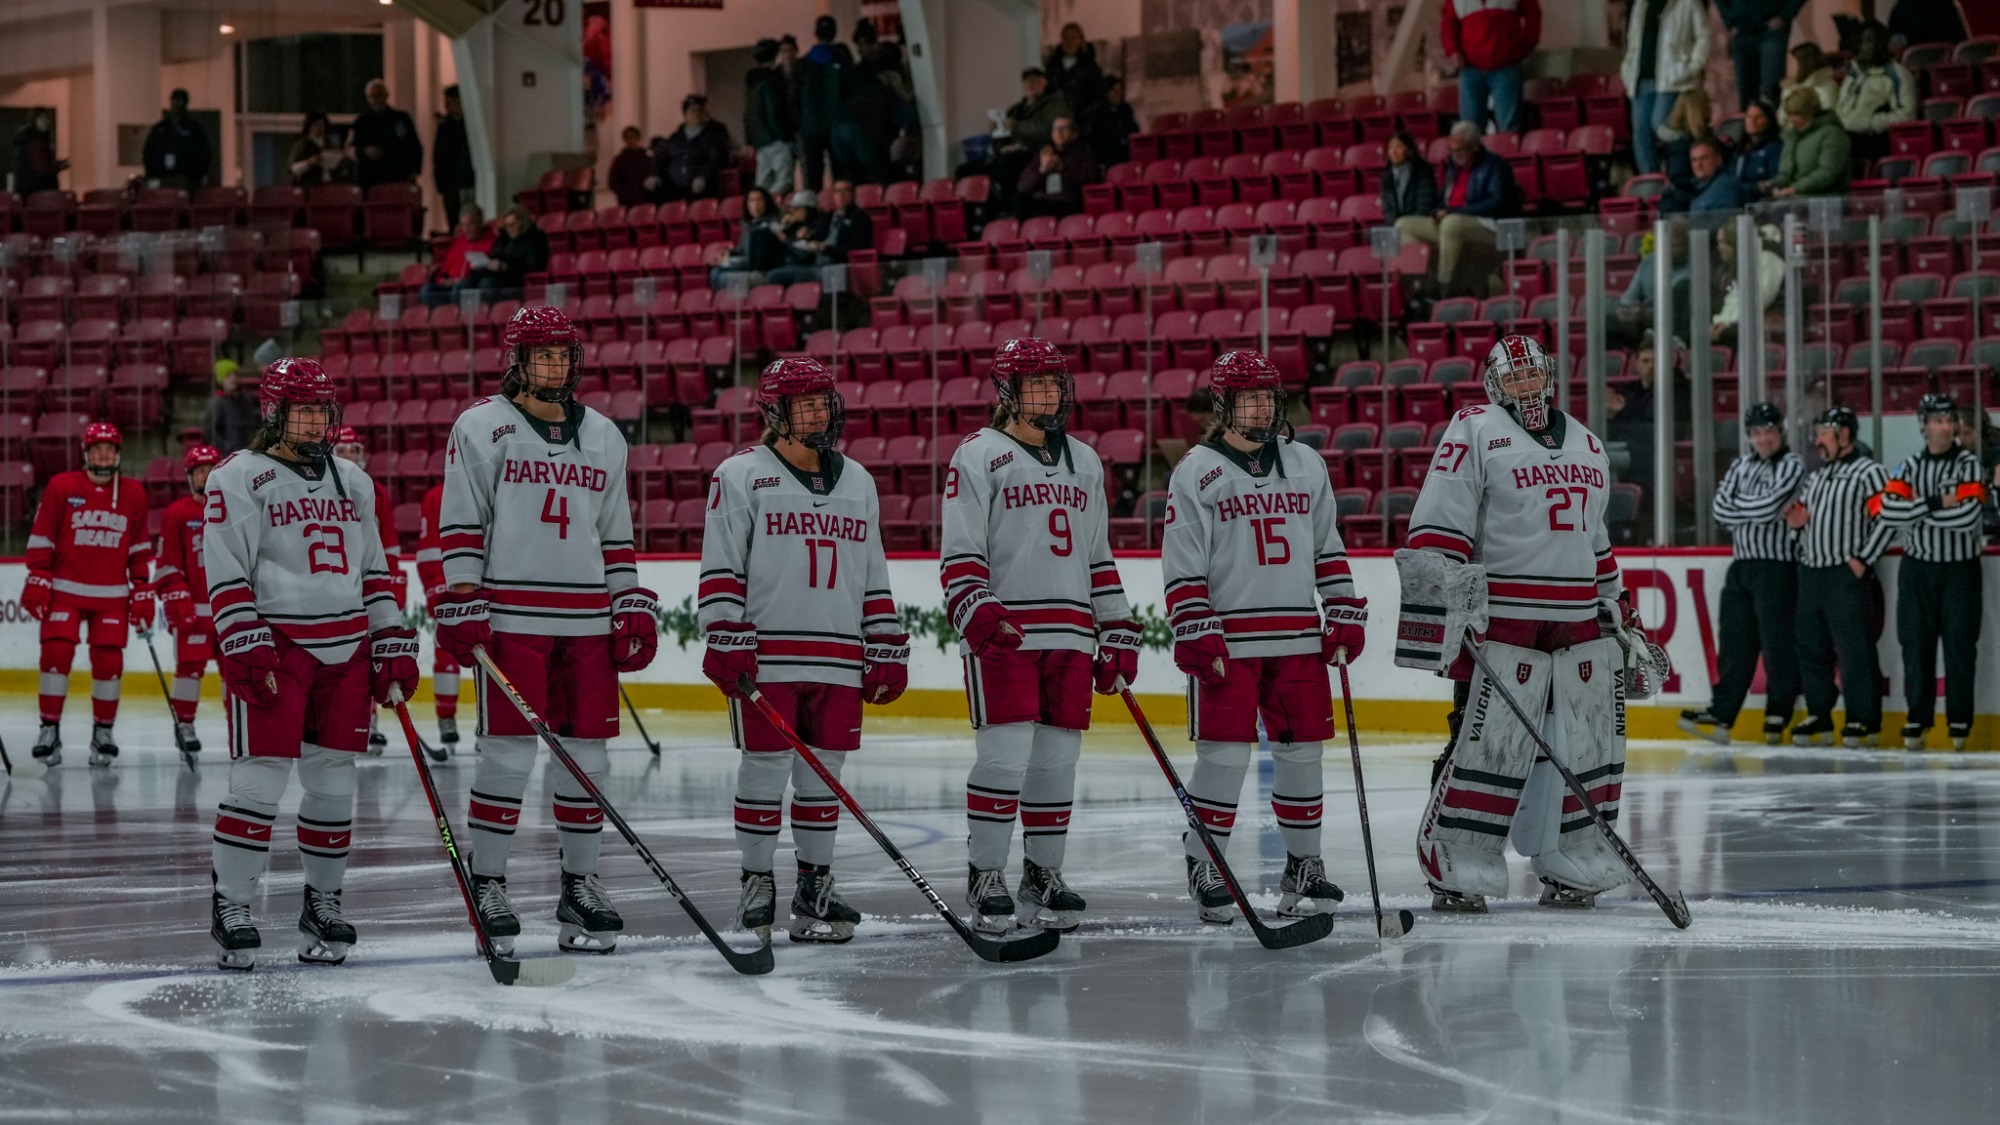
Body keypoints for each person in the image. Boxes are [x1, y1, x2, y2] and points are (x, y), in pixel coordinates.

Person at [433, 306, 659, 956]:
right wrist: (465, 596)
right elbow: (462, 519)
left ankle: (580, 884)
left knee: (589, 758)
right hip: (512, 619)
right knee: (506, 756)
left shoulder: (607, 437)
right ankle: (491, 882)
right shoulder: (482, 427)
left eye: (563, 354)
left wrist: (630, 602)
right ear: (517, 359)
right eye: (543, 355)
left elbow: (616, 534)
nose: (555, 365)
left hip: (587, 622)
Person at [1404, 335, 1642, 912]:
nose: (1526, 389)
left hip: (1575, 624)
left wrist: (1619, 609)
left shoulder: (1586, 441)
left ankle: (1568, 853)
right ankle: (1455, 854)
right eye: (1515, 380)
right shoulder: (1474, 428)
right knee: (1485, 741)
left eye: (1534, 378)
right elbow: (1439, 523)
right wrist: (1446, 608)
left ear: (1550, 378)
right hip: (1503, 621)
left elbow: (1596, 539)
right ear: (1493, 384)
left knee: (1576, 745)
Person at [203, 358, 417, 971]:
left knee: (332, 784)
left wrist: (389, 636)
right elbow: (225, 566)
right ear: (272, 411)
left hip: (347, 649)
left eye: (323, 408)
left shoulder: (354, 480)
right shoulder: (237, 476)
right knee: (259, 781)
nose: (316, 419)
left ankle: (322, 901)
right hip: (278, 645)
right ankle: (233, 903)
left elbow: (373, 570)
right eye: (303, 407)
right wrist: (241, 636)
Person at [698, 356, 908, 943]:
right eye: (805, 402)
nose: (819, 411)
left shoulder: (859, 480)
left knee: (825, 777)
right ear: (775, 410)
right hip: (768, 654)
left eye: (823, 400)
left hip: (839, 652)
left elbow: (873, 572)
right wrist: (723, 630)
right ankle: (756, 883)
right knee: (764, 769)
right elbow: (720, 567)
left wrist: (885, 639)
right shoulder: (739, 475)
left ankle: (814, 886)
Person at [939, 338, 1137, 934]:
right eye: (1036, 385)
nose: (1050, 394)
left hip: (1072, 631)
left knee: (1057, 762)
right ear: (1007, 393)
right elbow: (961, 552)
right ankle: (985, 873)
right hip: (1008, 631)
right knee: (1003, 758)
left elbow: (1097, 554)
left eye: (1055, 384)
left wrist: (1118, 624)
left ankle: (1042, 873)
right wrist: (976, 611)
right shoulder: (977, 455)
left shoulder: (1085, 459)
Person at [1160, 350, 1363, 924]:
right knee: (1223, 758)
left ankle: (1304, 864)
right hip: (1230, 639)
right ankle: (1206, 862)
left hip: (1298, 635)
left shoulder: (1307, 463)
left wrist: (1343, 607)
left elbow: (1327, 546)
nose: (1262, 407)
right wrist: (1194, 625)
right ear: (1223, 404)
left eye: (1269, 396)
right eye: (1249, 396)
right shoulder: (1197, 470)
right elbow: (1181, 562)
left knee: (1302, 755)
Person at [19, 422, 152, 769]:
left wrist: (141, 587)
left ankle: (103, 732)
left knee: (109, 663)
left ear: (118, 454)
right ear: (86, 454)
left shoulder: (134, 493)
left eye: (109, 449)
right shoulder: (62, 486)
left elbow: (139, 548)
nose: (103, 455)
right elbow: (44, 533)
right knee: (55, 655)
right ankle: (49, 728)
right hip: (65, 590)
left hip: (111, 594)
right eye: (97, 449)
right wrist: (38, 574)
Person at [1680, 402, 1804, 745]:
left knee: (1777, 643)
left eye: (1769, 431)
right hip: (1742, 565)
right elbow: (1720, 509)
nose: (1763, 438)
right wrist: (1753, 507)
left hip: (1777, 567)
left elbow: (1768, 509)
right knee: (1735, 644)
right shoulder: (1741, 464)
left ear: (1780, 432)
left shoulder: (1792, 464)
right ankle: (1723, 712)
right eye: (1756, 433)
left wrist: (1743, 507)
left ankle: (1778, 712)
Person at [1873, 394, 1985, 752]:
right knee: (1916, 646)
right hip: (1917, 569)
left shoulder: (1968, 465)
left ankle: (1959, 721)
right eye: (1937, 420)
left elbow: (1966, 519)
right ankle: (1917, 719)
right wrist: (1937, 502)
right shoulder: (1907, 467)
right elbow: (1889, 514)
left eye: (1949, 420)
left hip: (1959, 570)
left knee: (1959, 645)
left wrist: (1916, 510)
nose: (1945, 427)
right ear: (1923, 426)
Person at [1783, 405, 1890, 748]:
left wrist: (1862, 561)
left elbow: (1888, 519)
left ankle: (1863, 719)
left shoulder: (1868, 472)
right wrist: (1799, 530)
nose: (1817, 440)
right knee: (1811, 647)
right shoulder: (1817, 477)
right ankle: (1820, 714)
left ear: (1844, 434)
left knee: (1854, 648)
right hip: (1812, 572)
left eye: (1824, 432)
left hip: (1845, 574)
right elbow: (1804, 523)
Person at [331, 427, 408, 755]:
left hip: (367, 586)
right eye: (343, 450)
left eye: (354, 450)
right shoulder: (321, 486)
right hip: (334, 587)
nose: (349, 456)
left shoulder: (375, 491)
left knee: (366, 657)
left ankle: (370, 722)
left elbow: (388, 546)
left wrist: (389, 589)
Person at [1394, 121, 1519, 298]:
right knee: (1403, 224)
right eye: (1452, 150)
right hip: (1451, 221)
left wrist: (1456, 212)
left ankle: (1445, 287)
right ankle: (1424, 280)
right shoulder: (1452, 168)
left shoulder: (1495, 165)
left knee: (1451, 223)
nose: (1455, 155)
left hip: (1487, 225)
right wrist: (1435, 212)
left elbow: (1497, 202)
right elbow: (1441, 199)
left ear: (1475, 147)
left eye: (1460, 150)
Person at [154, 444, 224, 760]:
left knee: (237, 672)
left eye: (211, 470)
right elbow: (168, 562)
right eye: (200, 471)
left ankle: (240, 727)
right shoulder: (178, 513)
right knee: (189, 670)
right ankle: (184, 725)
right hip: (194, 610)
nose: (206, 476)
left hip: (231, 611)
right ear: (190, 476)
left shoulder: (236, 509)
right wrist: (175, 593)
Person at [1620, 0, 1710, 176]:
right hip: (1640, 79)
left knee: (1661, 126)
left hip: (1672, 79)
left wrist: (1693, 67)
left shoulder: (1688, 3)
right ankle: (1651, 182)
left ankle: (1680, 172)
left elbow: (1704, 35)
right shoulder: (1640, 5)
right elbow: (1632, 40)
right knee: (1641, 134)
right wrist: (1626, 69)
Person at [1440, 0, 1541, 134]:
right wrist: (1453, 51)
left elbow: (1533, 13)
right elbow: (1449, 23)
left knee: (1509, 127)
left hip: (1506, 66)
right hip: (1470, 69)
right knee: (1470, 129)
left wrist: (1527, 43)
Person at [415, 482, 461, 750]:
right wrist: (436, 587)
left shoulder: (495, 487)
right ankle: (447, 719)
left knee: (491, 658)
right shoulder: (435, 496)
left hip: (489, 584)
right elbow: (429, 548)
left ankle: (488, 724)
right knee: (447, 653)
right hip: (448, 587)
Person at [1835, 20, 1918, 164]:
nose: (1870, 46)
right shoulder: (1853, 74)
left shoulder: (1897, 74)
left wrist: (1872, 123)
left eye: (1874, 41)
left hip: (1874, 138)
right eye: (1865, 41)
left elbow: (1907, 115)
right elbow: (1841, 107)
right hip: (1845, 135)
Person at [993, 69, 1072, 211]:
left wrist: (1016, 126)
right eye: (1027, 82)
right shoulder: (1016, 110)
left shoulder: (1056, 105)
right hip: (1011, 153)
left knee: (1007, 164)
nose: (1031, 85)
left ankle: (1012, 211)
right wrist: (997, 130)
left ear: (1044, 83)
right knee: (969, 170)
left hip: (1038, 153)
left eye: (1035, 82)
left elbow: (1048, 131)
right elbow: (1002, 139)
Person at [766, 180, 873, 285]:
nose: (840, 195)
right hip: (815, 263)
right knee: (776, 270)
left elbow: (858, 248)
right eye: (837, 191)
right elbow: (818, 235)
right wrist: (808, 236)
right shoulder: (829, 216)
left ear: (853, 194)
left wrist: (826, 249)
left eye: (845, 191)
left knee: (775, 276)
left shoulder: (860, 217)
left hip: (837, 267)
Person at [797, 16, 856, 190]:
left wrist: (799, 123)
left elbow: (794, 98)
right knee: (840, 174)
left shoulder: (804, 64)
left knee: (813, 176)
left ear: (815, 33)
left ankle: (815, 211)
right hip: (836, 124)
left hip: (810, 126)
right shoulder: (843, 61)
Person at [1718, 0, 1807, 107]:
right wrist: (1730, 22)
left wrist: (1784, 16)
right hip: (1742, 29)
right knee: (1746, 94)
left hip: (1771, 29)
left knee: (1771, 93)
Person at [1767, 86, 1850, 199]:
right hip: (1794, 198)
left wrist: (1796, 188)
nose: (1792, 120)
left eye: (1797, 114)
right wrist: (1773, 184)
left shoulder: (1833, 134)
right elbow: (1785, 173)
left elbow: (1828, 173)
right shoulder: (1791, 136)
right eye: (1789, 115)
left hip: (1825, 199)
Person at [1710, 220, 1784, 345]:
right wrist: (1721, 321)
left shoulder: (1767, 258)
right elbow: (1735, 297)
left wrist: (1727, 326)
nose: (1718, 247)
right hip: (1746, 322)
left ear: (1735, 242)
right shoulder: (1742, 262)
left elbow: (1760, 299)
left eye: (1723, 242)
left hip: (1769, 322)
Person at [1014, 117, 1101, 219]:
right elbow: (1023, 185)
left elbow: (1090, 181)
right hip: (1042, 198)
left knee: (1046, 210)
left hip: (1066, 201)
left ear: (1074, 134)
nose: (1059, 132)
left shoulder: (1084, 154)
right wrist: (1042, 170)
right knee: (1020, 201)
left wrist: (1062, 168)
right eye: (1055, 129)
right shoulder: (1045, 153)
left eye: (1063, 129)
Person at [461, 205, 550, 301]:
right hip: (497, 275)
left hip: (516, 281)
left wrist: (504, 266)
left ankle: (484, 313)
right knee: (464, 285)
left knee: (487, 284)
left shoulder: (535, 239)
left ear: (522, 223)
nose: (509, 229)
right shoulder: (503, 239)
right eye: (507, 226)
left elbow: (533, 267)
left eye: (512, 225)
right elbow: (495, 255)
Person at [656, 94, 732, 202]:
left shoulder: (713, 137)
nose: (695, 115)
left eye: (699, 111)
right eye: (692, 111)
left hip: (701, 186)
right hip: (673, 187)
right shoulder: (674, 138)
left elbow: (714, 159)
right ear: (685, 115)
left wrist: (703, 176)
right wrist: (655, 174)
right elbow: (661, 158)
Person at [350, 79, 424, 190]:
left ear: (386, 96)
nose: (377, 99)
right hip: (371, 177)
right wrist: (365, 151)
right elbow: (353, 147)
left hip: (399, 174)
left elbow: (414, 145)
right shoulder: (361, 122)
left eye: (380, 95)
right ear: (368, 98)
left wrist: (415, 169)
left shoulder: (401, 119)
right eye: (373, 96)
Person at [748, 38, 799, 195]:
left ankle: (762, 214)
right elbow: (774, 111)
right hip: (776, 140)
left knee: (763, 184)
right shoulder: (772, 79)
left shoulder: (751, 81)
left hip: (760, 140)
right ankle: (772, 210)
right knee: (783, 181)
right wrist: (784, 135)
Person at [420, 203, 493, 309]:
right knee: (427, 291)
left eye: (470, 225)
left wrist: (462, 279)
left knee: (460, 289)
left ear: (479, 223)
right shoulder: (459, 242)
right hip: (451, 284)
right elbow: (446, 267)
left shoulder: (491, 241)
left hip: (470, 285)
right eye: (463, 225)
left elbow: (484, 270)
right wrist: (442, 280)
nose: (466, 229)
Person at [709, 186, 785, 285]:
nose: (756, 204)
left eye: (759, 200)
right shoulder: (748, 226)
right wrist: (728, 253)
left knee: (722, 277)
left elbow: (756, 260)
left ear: (766, 203)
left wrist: (728, 262)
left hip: (761, 270)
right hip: (746, 264)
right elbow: (741, 250)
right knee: (715, 271)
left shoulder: (772, 224)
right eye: (752, 200)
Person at [142, 89, 212, 190]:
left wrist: (198, 176)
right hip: (162, 177)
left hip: (187, 179)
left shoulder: (194, 129)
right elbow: (148, 153)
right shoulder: (160, 128)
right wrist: (151, 175)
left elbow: (204, 153)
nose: (178, 104)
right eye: (176, 100)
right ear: (171, 102)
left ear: (186, 103)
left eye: (181, 100)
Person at [1661, 138, 1745, 219]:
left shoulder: (1726, 186)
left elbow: (1726, 224)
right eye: (1694, 160)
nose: (1698, 165)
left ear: (1718, 159)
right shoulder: (1698, 189)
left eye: (1704, 158)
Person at [1044, 23, 1105, 124]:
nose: (1069, 42)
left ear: (1081, 40)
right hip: (1057, 123)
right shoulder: (1053, 66)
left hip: (1082, 123)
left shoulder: (1090, 67)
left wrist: (1082, 116)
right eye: (1066, 38)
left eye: (1073, 38)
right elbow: (1046, 92)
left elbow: (1099, 97)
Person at [433, 85, 475, 230]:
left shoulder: (471, 124)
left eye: (452, 102)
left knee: (469, 216)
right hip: (449, 181)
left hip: (467, 179)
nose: (448, 106)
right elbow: (438, 155)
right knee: (452, 218)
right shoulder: (445, 126)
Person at [1379, 131, 1439, 225]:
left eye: (1398, 147)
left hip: (1420, 221)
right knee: (1371, 234)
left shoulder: (1422, 171)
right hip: (1397, 224)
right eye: (1390, 148)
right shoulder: (1387, 176)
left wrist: (1406, 224)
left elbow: (1424, 206)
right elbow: (1388, 209)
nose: (1394, 151)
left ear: (1409, 150)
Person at [1730, 98, 1784, 202]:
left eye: (1758, 117)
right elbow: (1731, 178)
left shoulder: (1775, 147)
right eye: (1749, 117)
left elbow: (1772, 181)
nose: (1752, 121)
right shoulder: (1740, 148)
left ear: (1769, 121)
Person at [204, 360, 263, 454]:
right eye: (228, 376)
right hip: (229, 455)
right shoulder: (216, 403)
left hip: (250, 451)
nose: (233, 378)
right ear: (220, 380)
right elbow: (211, 432)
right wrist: (226, 448)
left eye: (235, 374)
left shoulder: (248, 398)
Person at [1083, 74, 1139, 170]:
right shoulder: (1095, 113)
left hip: (1123, 159)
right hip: (1104, 160)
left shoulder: (1125, 110)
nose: (1118, 94)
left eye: (1120, 91)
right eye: (1114, 91)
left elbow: (1133, 131)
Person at [288, 113, 355, 187]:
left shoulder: (329, 143)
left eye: (322, 124)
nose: (320, 127)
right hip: (310, 186)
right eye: (316, 124)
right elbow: (293, 169)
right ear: (309, 126)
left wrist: (341, 163)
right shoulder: (303, 144)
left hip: (329, 184)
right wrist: (309, 163)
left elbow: (335, 167)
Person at [12, 109, 67, 195]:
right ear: (35, 120)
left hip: (28, 191)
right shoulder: (33, 141)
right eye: (42, 118)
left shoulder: (31, 139)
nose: (46, 122)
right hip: (38, 191)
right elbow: (41, 167)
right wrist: (57, 166)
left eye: (46, 119)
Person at [1781, 42, 1840, 115]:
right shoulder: (1793, 87)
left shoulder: (1824, 88)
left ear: (1804, 65)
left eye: (1795, 63)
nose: (1790, 67)